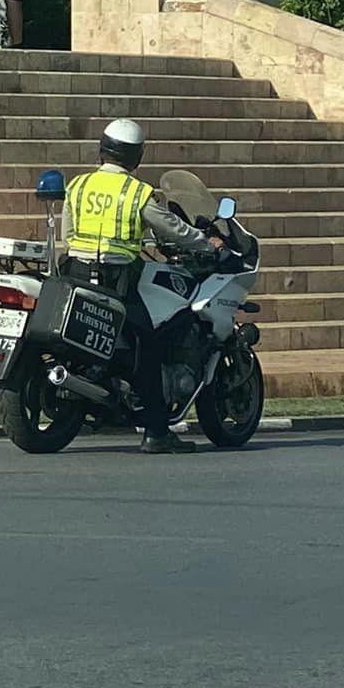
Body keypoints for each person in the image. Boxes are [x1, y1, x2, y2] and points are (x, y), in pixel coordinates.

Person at [62, 118, 223, 454]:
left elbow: (67, 235)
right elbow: (172, 227)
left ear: (101, 150)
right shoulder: (136, 193)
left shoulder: (78, 185)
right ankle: (156, 432)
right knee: (148, 347)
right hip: (117, 280)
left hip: (76, 273)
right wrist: (204, 242)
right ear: (137, 157)